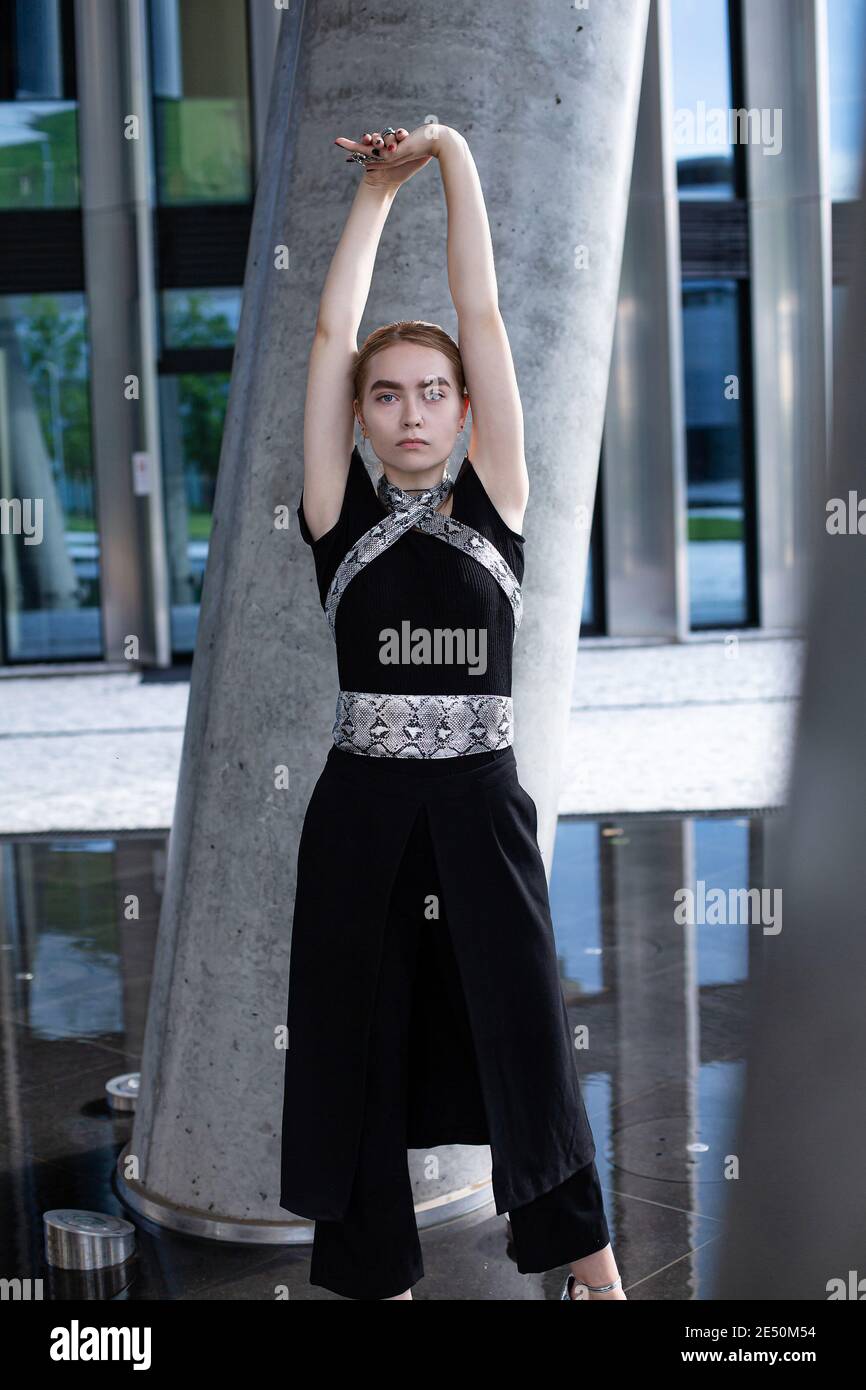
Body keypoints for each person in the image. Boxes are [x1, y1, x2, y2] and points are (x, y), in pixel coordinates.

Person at [279, 121, 625, 1302]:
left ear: (466, 408)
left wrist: (452, 156)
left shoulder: (499, 496)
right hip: (359, 815)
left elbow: (482, 315)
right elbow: (328, 335)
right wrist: (373, 198)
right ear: (364, 415)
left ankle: (591, 1267)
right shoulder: (335, 515)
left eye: (433, 393)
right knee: (356, 1046)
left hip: (481, 807)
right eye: (388, 396)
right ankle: (376, 1276)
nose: (412, 411)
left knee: (525, 1032)